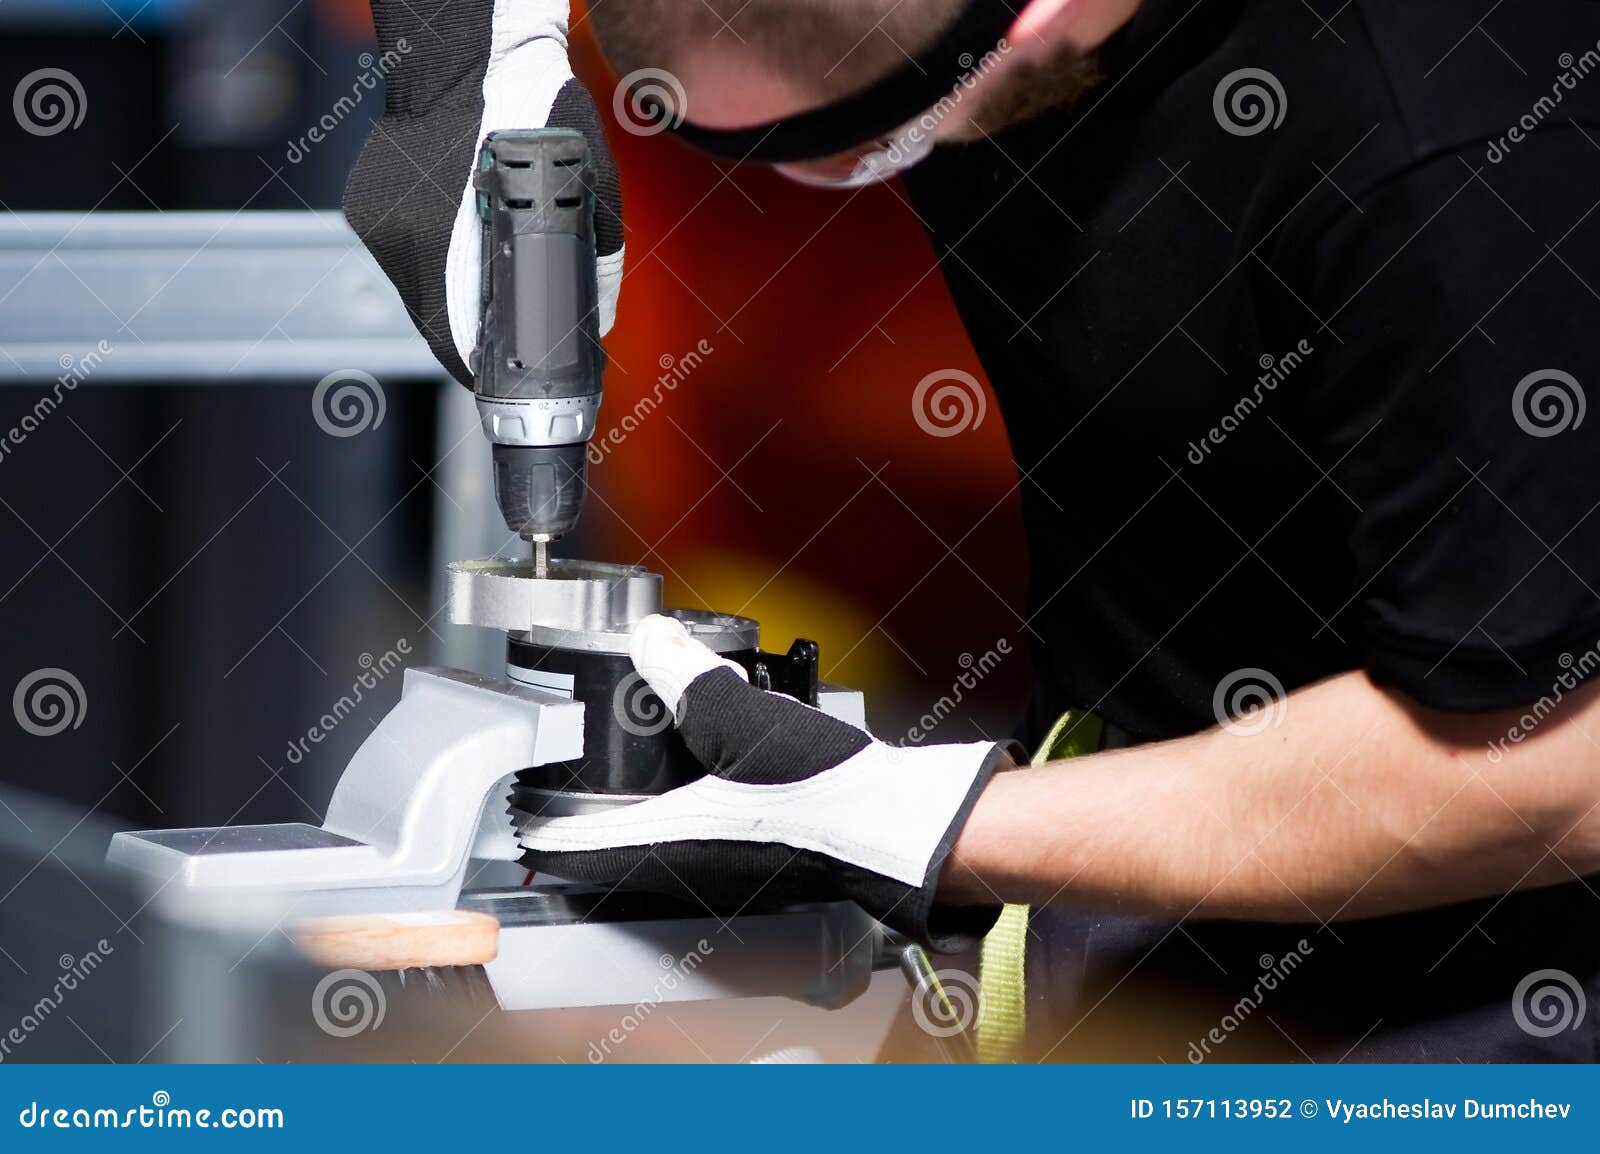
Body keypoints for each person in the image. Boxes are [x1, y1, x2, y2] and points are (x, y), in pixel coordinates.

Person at [345, 0, 1600, 1062]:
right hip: (1122, 855)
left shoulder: (1449, 154)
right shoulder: (986, 44)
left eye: (868, 142)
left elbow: (1557, 761)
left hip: (1464, 984)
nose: (839, 177)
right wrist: (475, 51)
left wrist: (917, 821)